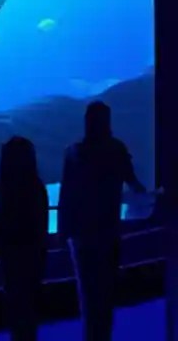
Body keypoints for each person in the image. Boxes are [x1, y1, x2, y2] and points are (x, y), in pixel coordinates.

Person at [58, 101, 147, 341]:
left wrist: (62, 232)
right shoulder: (116, 150)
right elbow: (135, 185)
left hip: (83, 237)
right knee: (105, 295)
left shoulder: (74, 152)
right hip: (107, 234)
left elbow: (66, 196)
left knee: (88, 296)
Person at [0, 136, 49, 341]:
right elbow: (41, 226)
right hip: (32, 259)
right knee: (28, 314)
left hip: (10, 260)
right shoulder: (37, 188)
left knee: (17, 313)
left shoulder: (0, 190)